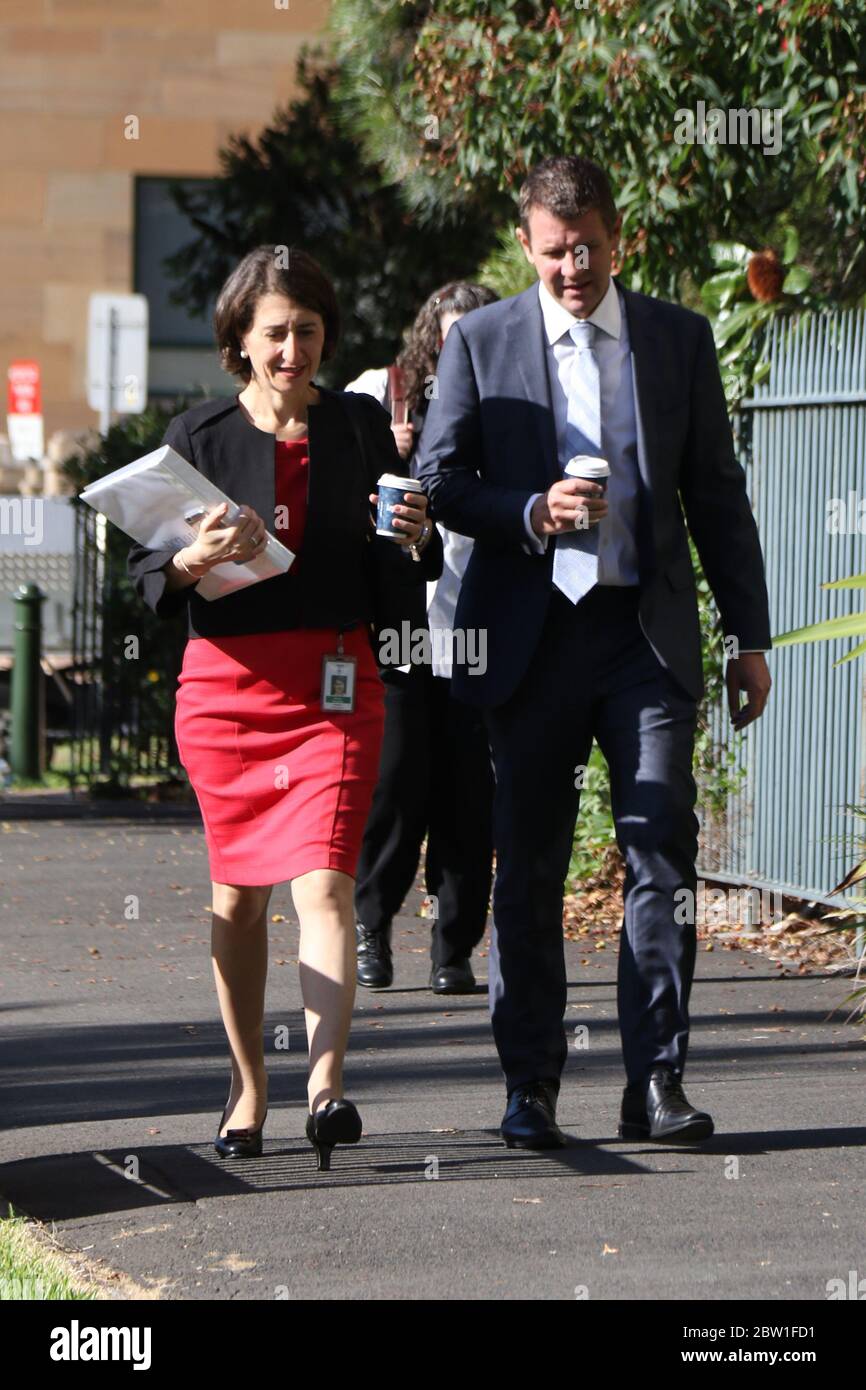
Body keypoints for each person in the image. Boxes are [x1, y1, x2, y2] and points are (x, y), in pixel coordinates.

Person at [416, 156, 772, 1149]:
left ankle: (654, 1078)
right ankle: (529, 1083)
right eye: (551, 252)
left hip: (638, 636)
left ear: (617, 239)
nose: (571, 268)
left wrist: (747, 633)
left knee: (658, 845)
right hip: (529, 639)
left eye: (586, 249)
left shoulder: (674, 339)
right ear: (524, 246)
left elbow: (716, 494)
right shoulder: (481, 343)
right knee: (525, 866)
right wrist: (528, 509)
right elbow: (439, 479)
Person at [127, 246, 441, 1170]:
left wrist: (418, 541)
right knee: (238, 897)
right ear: (240, 340)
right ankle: (247, 1086)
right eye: (275, 333)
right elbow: (150, 573)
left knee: (329, 884)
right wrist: (191, 561)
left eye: (307, 331)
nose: (293, 349)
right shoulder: (198, 436)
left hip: (336, 686)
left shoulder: (356, 429)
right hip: (227, 693)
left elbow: (396, 571)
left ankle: (326, 1087)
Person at [345, 284, 498, 994]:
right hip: (404, 622)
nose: (460, 345)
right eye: (449, 333)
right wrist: (389, 445)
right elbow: (341, 475)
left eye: (475, 332)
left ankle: (453, 949)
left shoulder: (510, 406)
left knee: (469, 795)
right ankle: (370, 929)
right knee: (398, 782)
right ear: (429, 336)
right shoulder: (384, 394)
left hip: (479, 620)